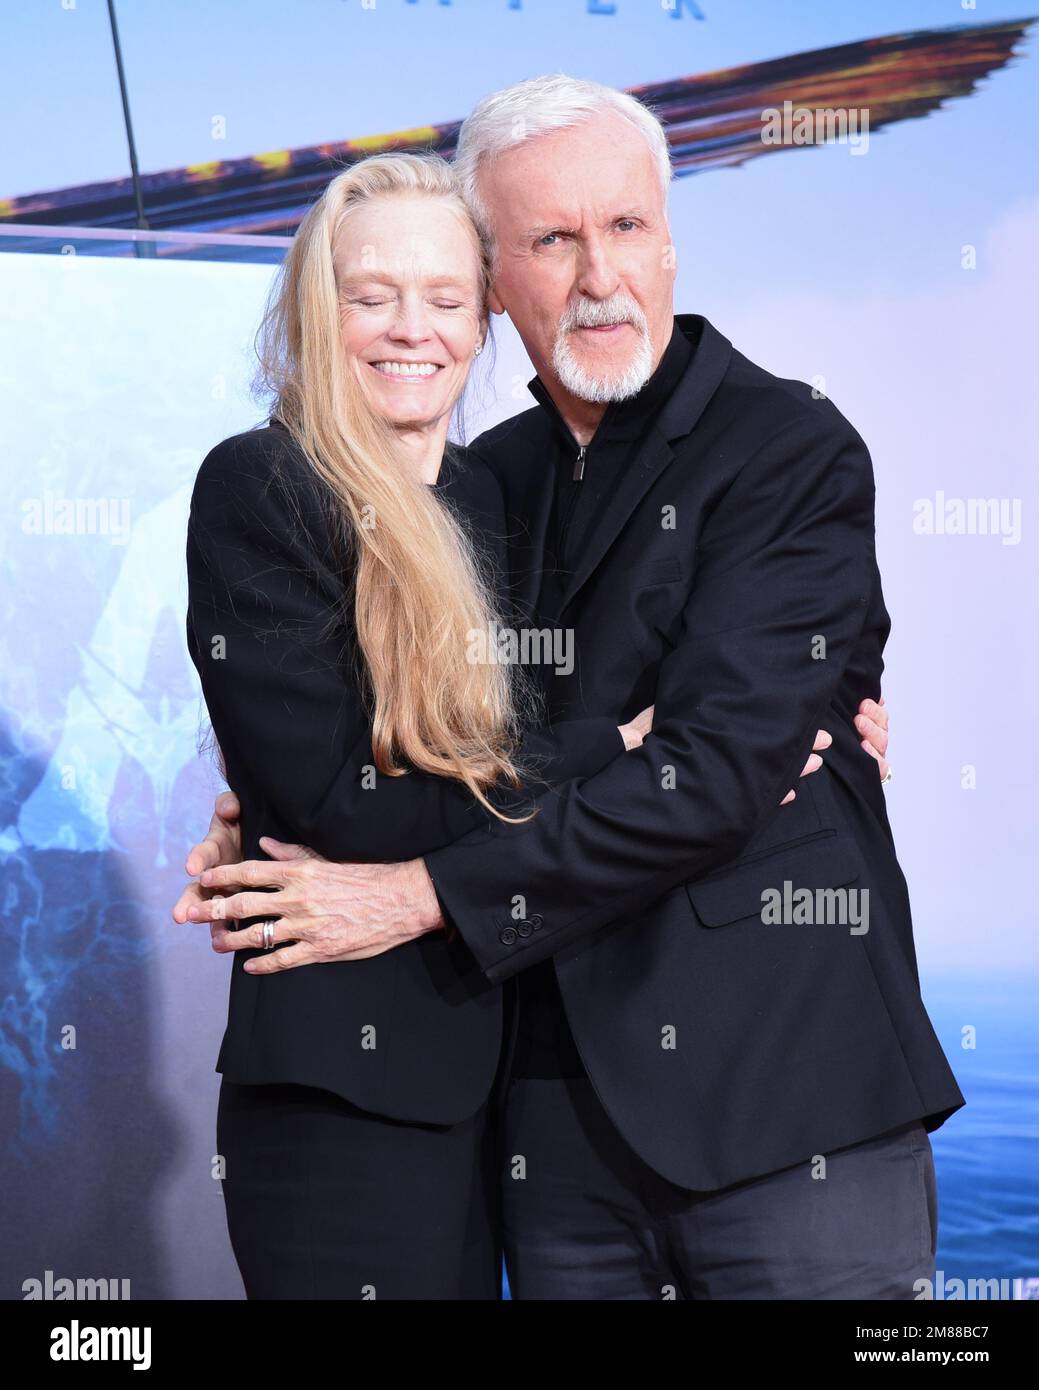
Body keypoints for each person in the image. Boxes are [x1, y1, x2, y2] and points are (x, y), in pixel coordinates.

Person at [179, 79, 912, 1301]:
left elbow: (719, 770)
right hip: (541, 1120)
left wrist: (414, 890)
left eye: (625, 226)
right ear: (500, 281)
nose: (598, 275)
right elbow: (401, 752)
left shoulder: (786, 447)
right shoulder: (481, 484)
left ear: (669, 242)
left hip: (779, 1103)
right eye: (552, 239)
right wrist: (273, 808)